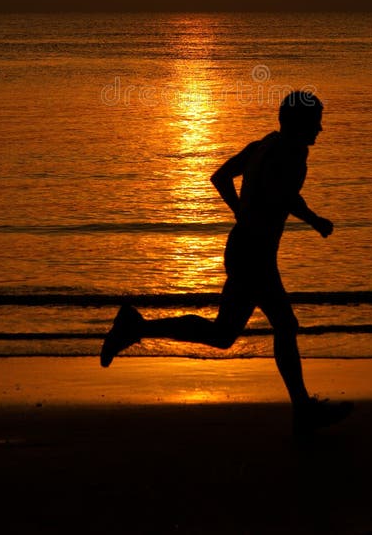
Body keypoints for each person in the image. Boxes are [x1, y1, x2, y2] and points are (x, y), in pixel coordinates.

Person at [100, 90, 353, 437]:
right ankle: (303, 409)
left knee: (225, 334)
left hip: (244, 246)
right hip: (254, 254)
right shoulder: (293, 153)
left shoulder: (262, 145)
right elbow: (285, 196)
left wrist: (242, 213)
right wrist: (314, 220)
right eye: (316, 121)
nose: (320, 128)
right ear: (300, 122)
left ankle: (136, 327)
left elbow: (220, 178)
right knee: (283, 323)